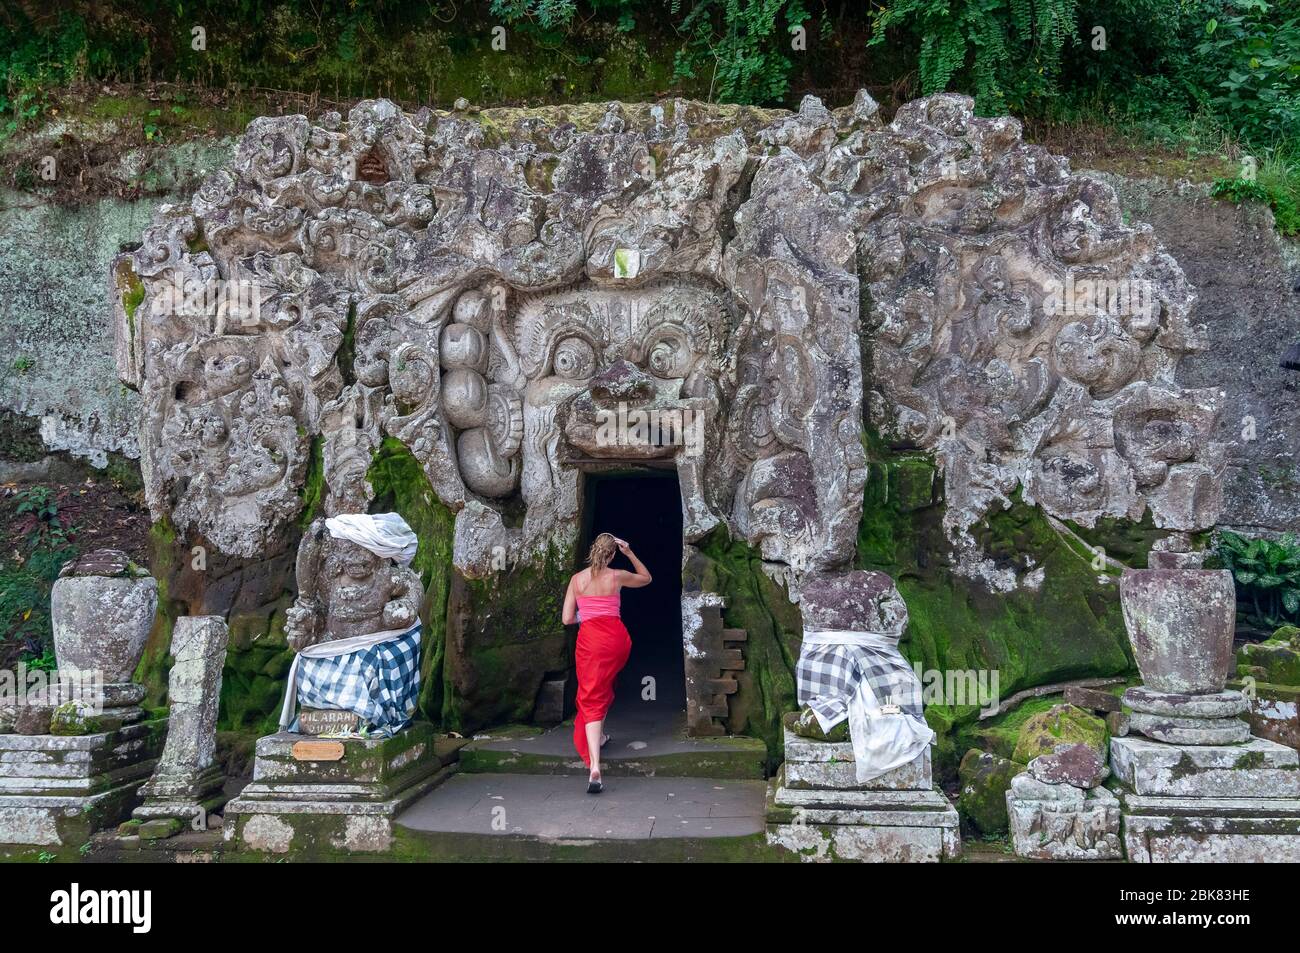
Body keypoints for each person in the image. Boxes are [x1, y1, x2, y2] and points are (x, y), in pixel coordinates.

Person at [562, 532, 652, 793]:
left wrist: (586, 615)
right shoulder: (617, 576)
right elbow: (647, 578)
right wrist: (630, 553)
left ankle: (595, 768)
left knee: (591, 697)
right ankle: (599, 737)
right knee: (601, 689)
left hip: (591, 642)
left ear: (592, 550)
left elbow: (567, 619)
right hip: (616, 642)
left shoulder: (576, 580)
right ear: (612, 554)